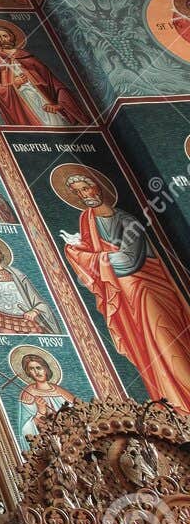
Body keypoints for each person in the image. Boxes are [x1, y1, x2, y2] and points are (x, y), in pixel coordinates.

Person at [56, 165, 190, 410]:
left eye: (87, 187)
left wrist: (81, 255)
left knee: (166, 342)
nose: (85, 194)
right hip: (126, 299)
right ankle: (172, 405)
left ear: (98, 188)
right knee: (147, 353)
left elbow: (129, 262)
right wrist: (78, 247)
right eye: (78, 193)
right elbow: (101, 257)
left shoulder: (127, 220)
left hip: (147, 291)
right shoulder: (87, 220)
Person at [0, 21, 86, 126]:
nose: (2, 40)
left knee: (55, 125)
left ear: (11, 36)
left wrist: (60, 105)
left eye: (5, 36)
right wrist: (14, 83)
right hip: (20, 104)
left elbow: (54, 83)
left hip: (41, 98)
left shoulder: (27, 57)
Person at [13, 350, 79, 444]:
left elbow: (77, 412)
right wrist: (41, 412)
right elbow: (24, 428)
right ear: (28, 372)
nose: (36, 372)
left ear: (45, 369)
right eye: (32, 369)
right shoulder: (28, 394)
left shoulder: (61, 391)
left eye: (39, 368)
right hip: (48, 442)